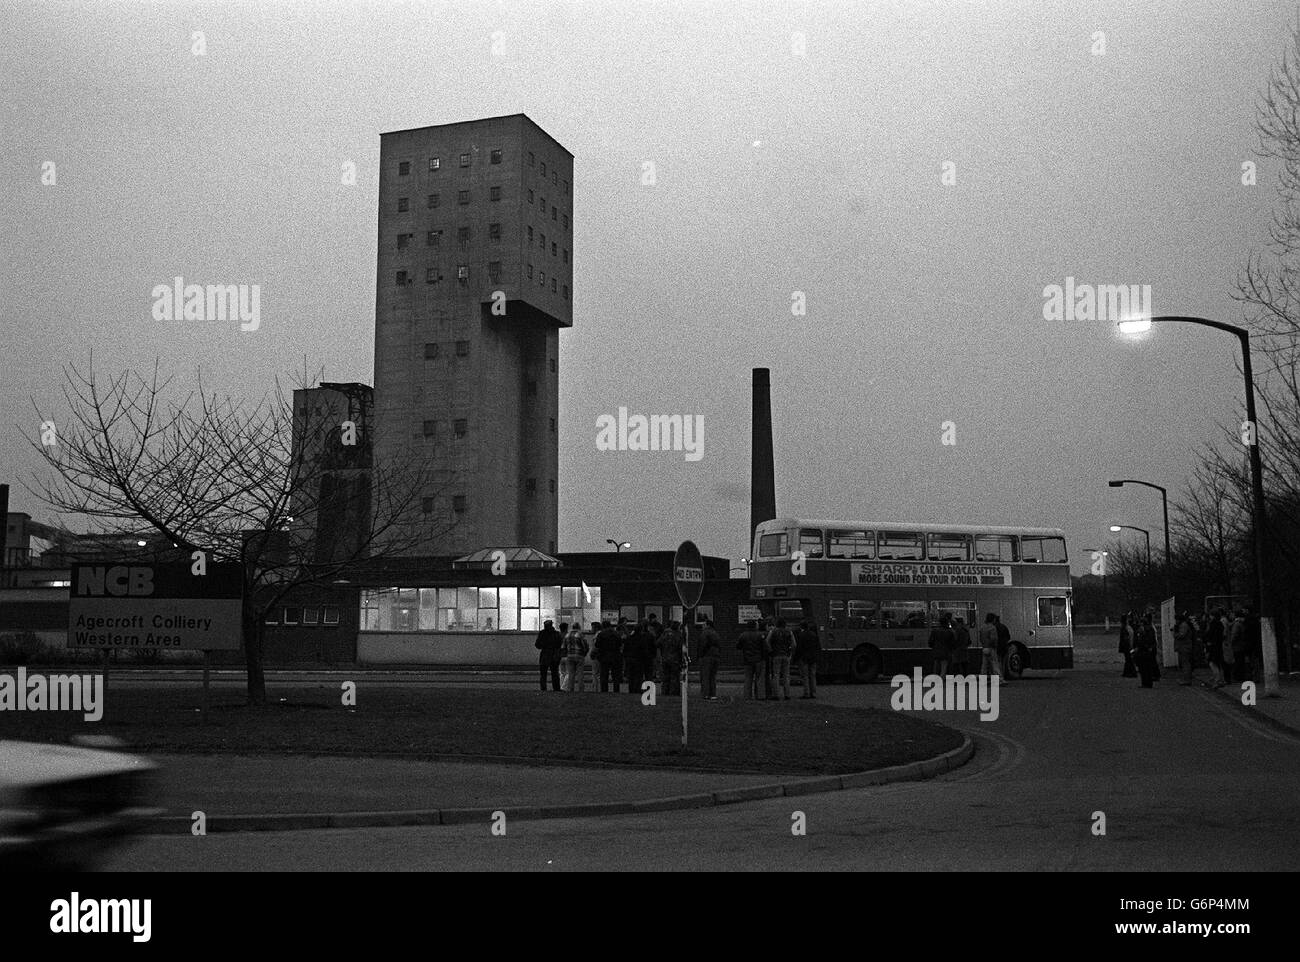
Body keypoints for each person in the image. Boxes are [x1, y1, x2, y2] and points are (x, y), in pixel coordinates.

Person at [737, 620, 766, 699]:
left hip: (747, 660)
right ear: (755, 626)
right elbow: (765, 647)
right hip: (758, 659)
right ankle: (759, 695)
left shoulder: (743, 635)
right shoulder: (760, 635)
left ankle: (747, 695)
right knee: (759, 678)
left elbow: (738, 646)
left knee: (748, 678)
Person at [767, 618, 795, 700]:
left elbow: (767, 641)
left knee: (776, 675)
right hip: (786, 655)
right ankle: (787, 694)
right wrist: (790, 653)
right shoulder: (789, 632)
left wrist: (770, 651)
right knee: (786, 675)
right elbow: (794, 644)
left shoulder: (773, 631)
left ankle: (776, 695)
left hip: (776, 655)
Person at [593, 620, 623, 693]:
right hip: (615, 656)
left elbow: (597, 645)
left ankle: (604, 690)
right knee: (615, 675)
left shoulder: (601, 634)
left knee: (604, 675)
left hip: (604, 656)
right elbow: (620, 644)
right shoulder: (616, 633)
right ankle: (616, 690)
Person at [794, 619, 821, 698]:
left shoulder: (801, 635)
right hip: (813, 658)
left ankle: (806, 693)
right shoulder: (814, 635)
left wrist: (795, 658)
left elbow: (799, 648)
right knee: (812, 675)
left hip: (804, 658)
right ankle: (813, 692)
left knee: (805, 676)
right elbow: (817, 646)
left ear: (801, 627)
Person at [624, 619, 651, 696]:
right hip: (639, 660)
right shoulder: (642, 639)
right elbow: (644, 650)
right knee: (638, 676)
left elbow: (625, 649)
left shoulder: (629, 638)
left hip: (630, 659)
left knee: (631, 676)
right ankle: (637, 689)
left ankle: (631, 689)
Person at [535, 619, 563, 692]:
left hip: (544, 655)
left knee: (543, 674)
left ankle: (543, 688)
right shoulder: (556, 634)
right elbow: (560, 644)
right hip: (554, 655)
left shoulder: (542, 633)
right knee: (554, 673)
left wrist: (543, 645)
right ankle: (556, 688)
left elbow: (537, 645)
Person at [697, 618, 722, 699]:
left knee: (705, 676)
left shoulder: (705, 633)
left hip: (706, 657)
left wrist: (700, 655)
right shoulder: (715, 633)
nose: (702, 626)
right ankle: (713, 694)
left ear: (707, 625)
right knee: (712, 676)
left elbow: (702, 645)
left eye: (704, 624)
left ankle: (705, 694)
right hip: (716, 656)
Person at [561, 622, 588, 692]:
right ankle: (581, 689)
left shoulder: (567, 635)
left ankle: (570, 688)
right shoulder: (580, 634)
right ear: (579, 627)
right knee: (580, 673)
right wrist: (584, 653)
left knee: (571, 674)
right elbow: (584, 645)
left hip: (570, 656)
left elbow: (563, 647)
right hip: (579, 655)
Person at [1134, 613, 1159, 688]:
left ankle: (1146, 683)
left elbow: (1144, 641)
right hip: (1147, 650)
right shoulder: (1150, 629)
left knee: (1144, 668)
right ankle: (1147, 682)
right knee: (1147, 668)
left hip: (1144, 650)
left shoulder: (1146, 631)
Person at [659, 620, 683, 696]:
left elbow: (658, 643)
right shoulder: (678, 634)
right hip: (675, 659)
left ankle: (665, 692)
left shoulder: (665, 633)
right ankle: (674, 692)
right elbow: (680, 647)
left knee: (666, 676)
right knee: (674, 677)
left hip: (665, 658)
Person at [928, 613, 956, 679]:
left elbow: (930, 641)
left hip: (936, 650)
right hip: (946, 651)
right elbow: (953, 642)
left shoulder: (934, 631)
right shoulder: (950, 632)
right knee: (944, 666)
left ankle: (935, 678)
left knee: (936, 666)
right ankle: (941, 678)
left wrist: (933, 647)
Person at [1174, 610, 1197, 686]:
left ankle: (1187, 680)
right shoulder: (1183, 625)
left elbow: (1182, 635)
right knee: (1184, 664)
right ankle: (1185, 678)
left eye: (1176, 620)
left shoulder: (1183, 625)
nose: (1176, 621)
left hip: (1185, 647)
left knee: (1185, 664)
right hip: (1183, 647)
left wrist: (1175, 634)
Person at [1204, 608, 1225, 688]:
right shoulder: (1220, 624)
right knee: (1218, 663)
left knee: (1212, 663)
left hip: (1213, 646)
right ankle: (1222, 680)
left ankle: (1217, 680)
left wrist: (1208, 642)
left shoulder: (1213, 624)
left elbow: (1210, 635)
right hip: (1219, 646)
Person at [978, 613, 1002, 680]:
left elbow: (981, 638)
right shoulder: (992, 628)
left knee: (984, 666)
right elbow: (993, 639)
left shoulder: (982, 627)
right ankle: (999, 679)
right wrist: (994, 646)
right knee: (994, 664)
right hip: (991, 648)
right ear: (993, 619)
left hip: (984, 648)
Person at [1118, 612, 1137, 678]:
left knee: (1128, 659)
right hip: (1129, 646)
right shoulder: (1128, 627)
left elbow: (1125, 638)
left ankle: (1130, 672)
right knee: (1129, 659)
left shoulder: (1124, 628)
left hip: (1127, 646)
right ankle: (1128, 672)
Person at [994, 614, 1012, 681]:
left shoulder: (994, 627)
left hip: (997, 647)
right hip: (1004, 647)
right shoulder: (1004, 627)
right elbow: (1008, 637)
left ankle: (999, 677)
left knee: (997, 663)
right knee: (1003, 662)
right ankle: (1003, 676)